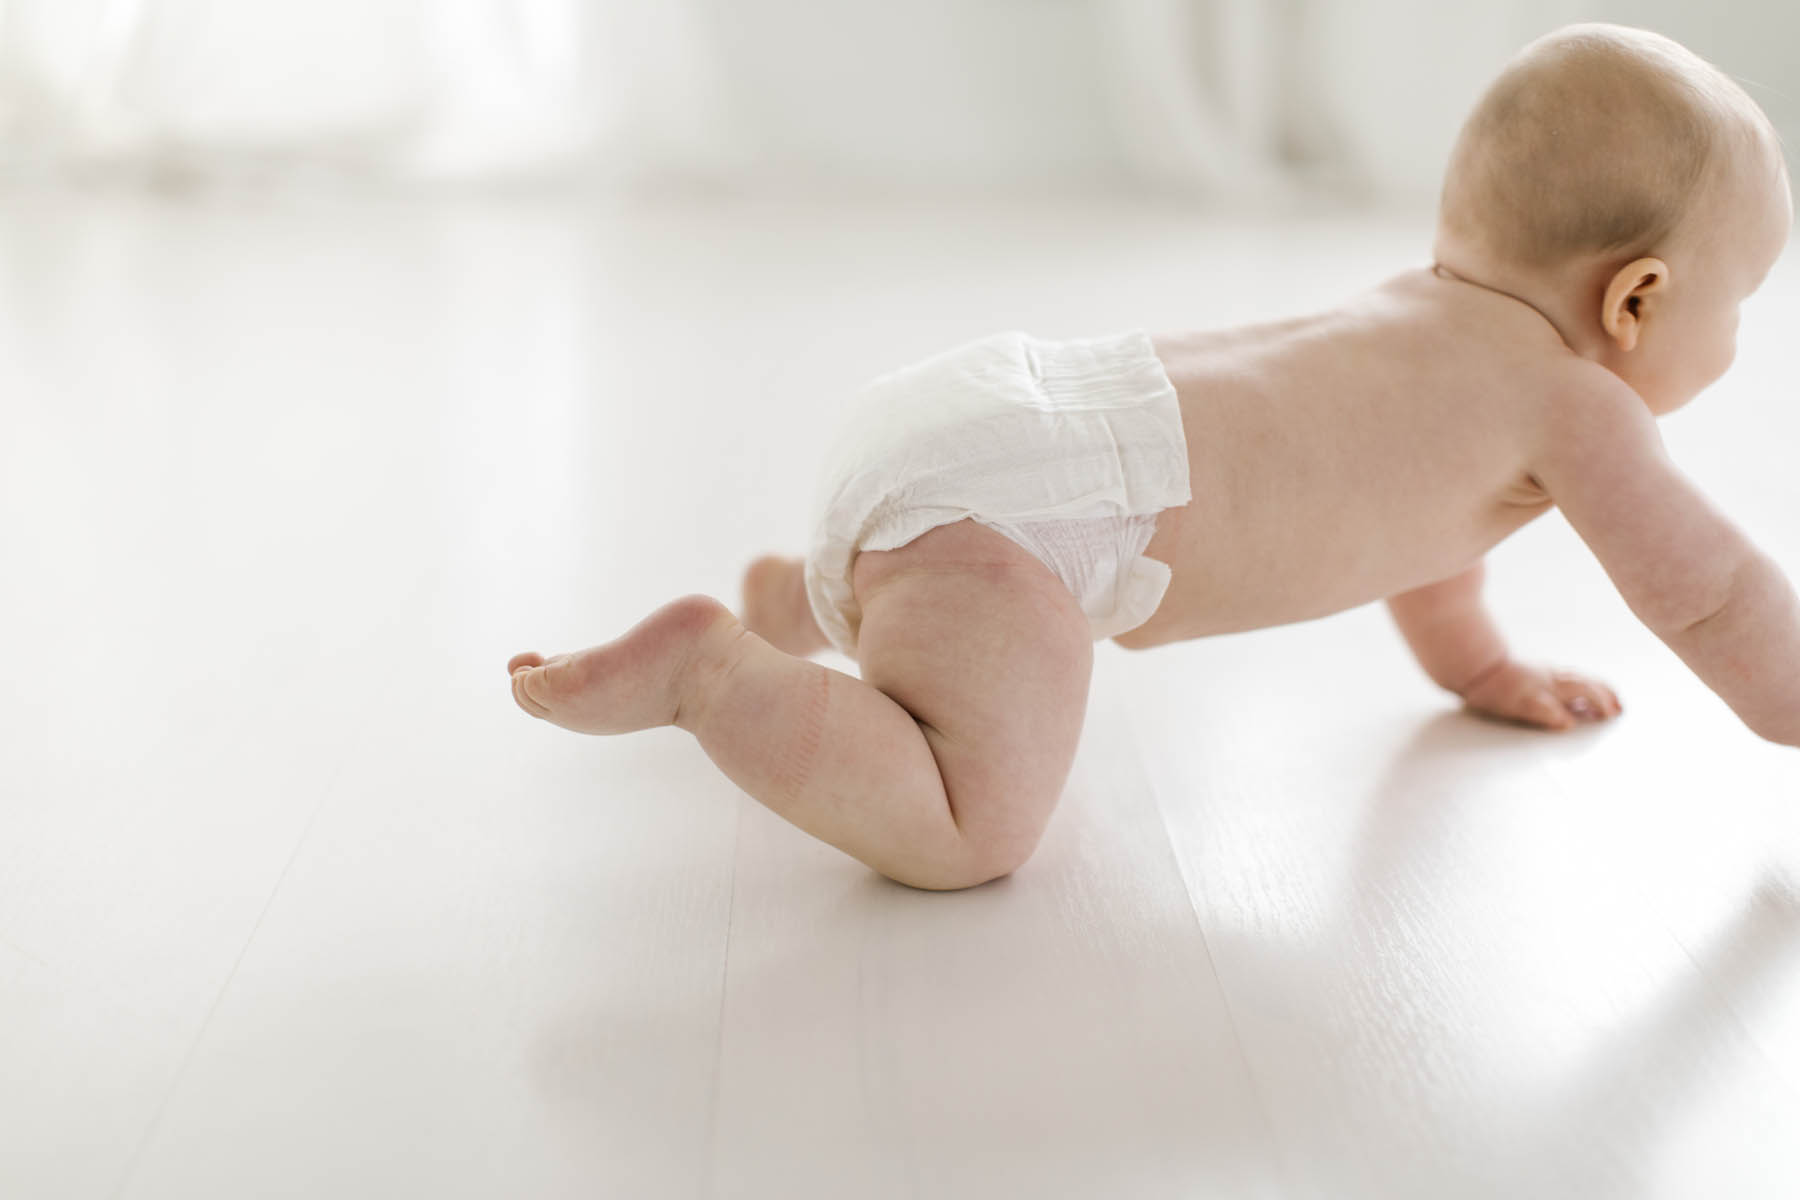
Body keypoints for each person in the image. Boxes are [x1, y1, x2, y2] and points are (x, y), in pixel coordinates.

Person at [508, 25, 1799, 890]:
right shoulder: (1576, 406)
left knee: (911, 573)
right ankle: (714, 675)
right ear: (1636, 299)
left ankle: (795, 595)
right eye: (1738, 302)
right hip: (1024, 527)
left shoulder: (1425, 328)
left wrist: (1481, 668)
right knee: (970, 828)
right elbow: (1712, 596)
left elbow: (1429, 539)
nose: (1739, 336)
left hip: (993, 422)